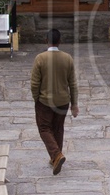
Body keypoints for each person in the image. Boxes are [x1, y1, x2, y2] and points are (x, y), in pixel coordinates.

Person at [29, 28, 78, 174]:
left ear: (46, 41)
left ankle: (56, 154)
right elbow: (73, 83)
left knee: (44, 128)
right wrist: (74, 104)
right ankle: (55, 158)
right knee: (58, 128)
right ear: (59, 41)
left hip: (45, 101)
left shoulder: (40, 58)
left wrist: (36, 98)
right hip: (63, 100)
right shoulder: (67, 58)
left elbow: (34, 83)